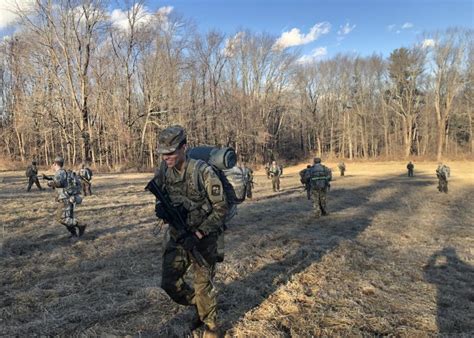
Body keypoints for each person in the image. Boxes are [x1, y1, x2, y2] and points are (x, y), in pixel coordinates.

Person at [153, 125, 227, 336]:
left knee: (203, 286)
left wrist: (199, 233)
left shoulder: (203, 172)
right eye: (163, 153)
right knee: (169, 284)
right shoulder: (164, 171)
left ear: (184, 147)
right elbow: (160, 196)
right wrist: (161, 210)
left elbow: (221, 208)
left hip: (204, 239)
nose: (166, 157)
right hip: (178, 236)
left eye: (171, 153)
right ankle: (200, 305)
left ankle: (211, 325)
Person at [45, 156, 86, 239]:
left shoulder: (59, 172)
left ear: (55, 164)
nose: (52, 165)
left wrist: (50, 183)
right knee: (68, 218)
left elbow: (59, 183)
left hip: (65, 199)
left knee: (60, 218)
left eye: (53, 164)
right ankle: (74, 234)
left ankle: (80, 225)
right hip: (69, 198)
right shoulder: (64, 172)